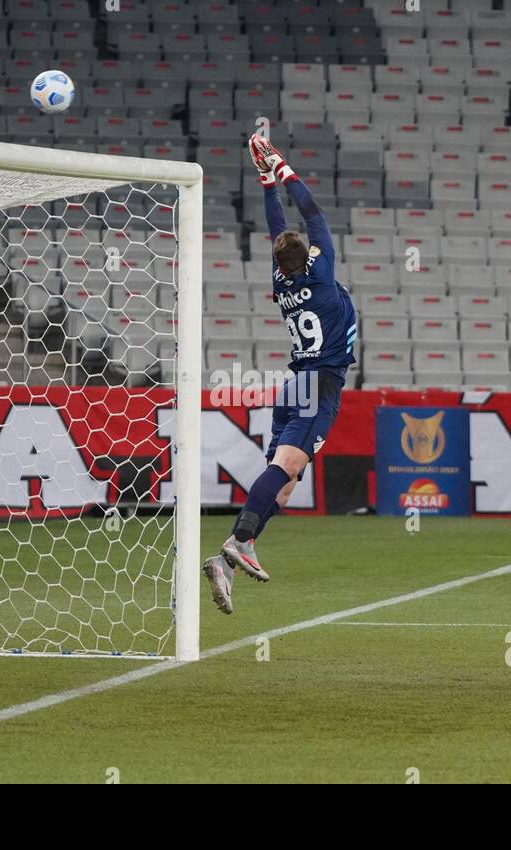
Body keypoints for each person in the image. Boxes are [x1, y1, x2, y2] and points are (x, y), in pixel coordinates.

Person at [203, 133, 358, 614]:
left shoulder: (282, 278)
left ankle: (228, 559)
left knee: (286, 485)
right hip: (320, 385)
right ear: (310, 257)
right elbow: (313, 215)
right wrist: (285, 170)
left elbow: (281, 229)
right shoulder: (322, 276)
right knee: (286, 471)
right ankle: (241, 542)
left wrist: (267, 182)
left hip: (293, 388)